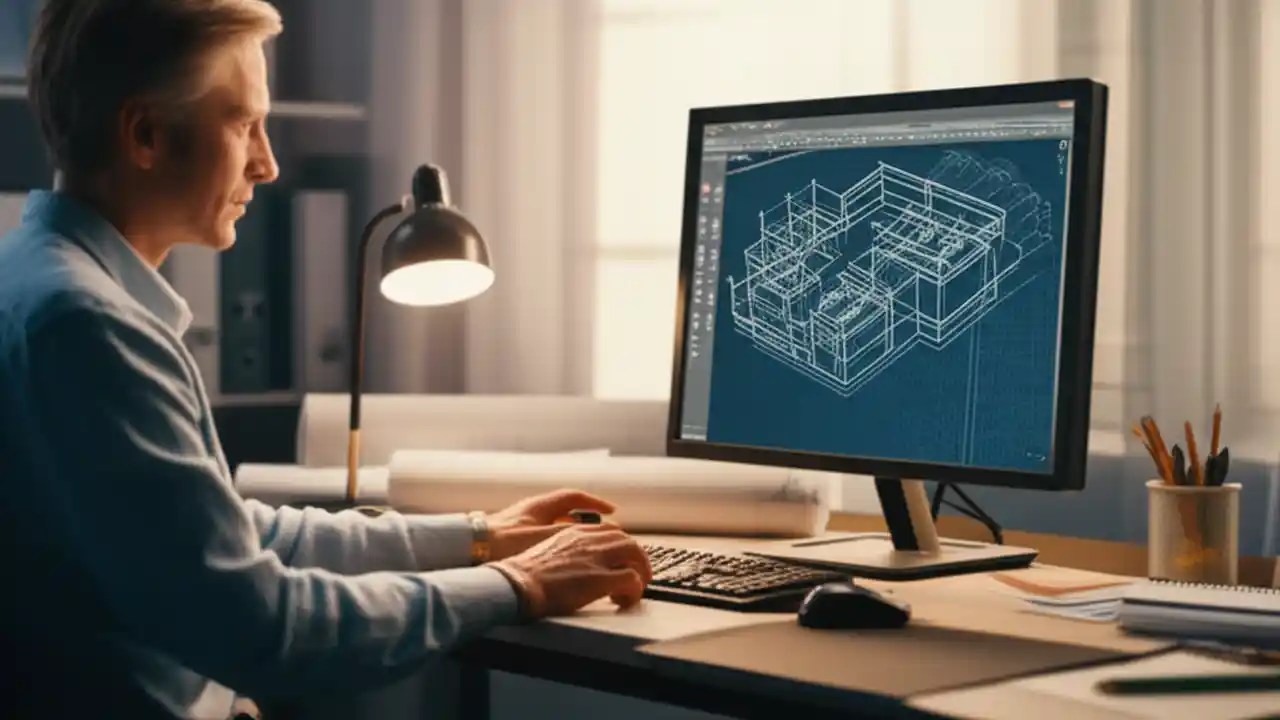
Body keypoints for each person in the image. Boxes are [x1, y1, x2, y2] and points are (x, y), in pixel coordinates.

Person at [0, 2, 652, 719]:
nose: (269, 162)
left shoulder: (42, 279)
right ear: (146, 134)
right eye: (245, 123)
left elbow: (237, 538)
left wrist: (478, 537)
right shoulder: (86, 326)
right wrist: (516, 584)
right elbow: (261, 624)